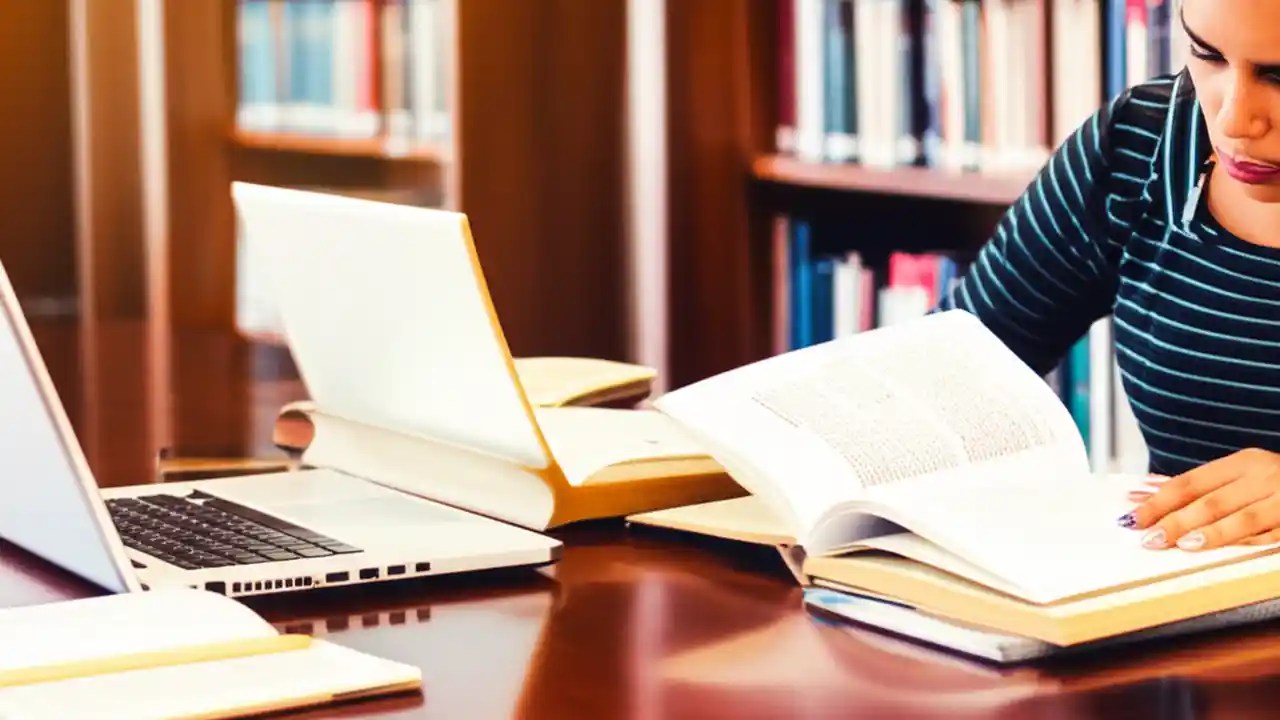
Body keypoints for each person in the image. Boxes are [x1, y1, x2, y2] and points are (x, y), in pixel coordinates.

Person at [934, 0, 1280, 553]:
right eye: (1207, 54)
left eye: (1279, 76)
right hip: (1167, 610)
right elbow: (947, 379)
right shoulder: (1142, 144)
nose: (1236, 121)